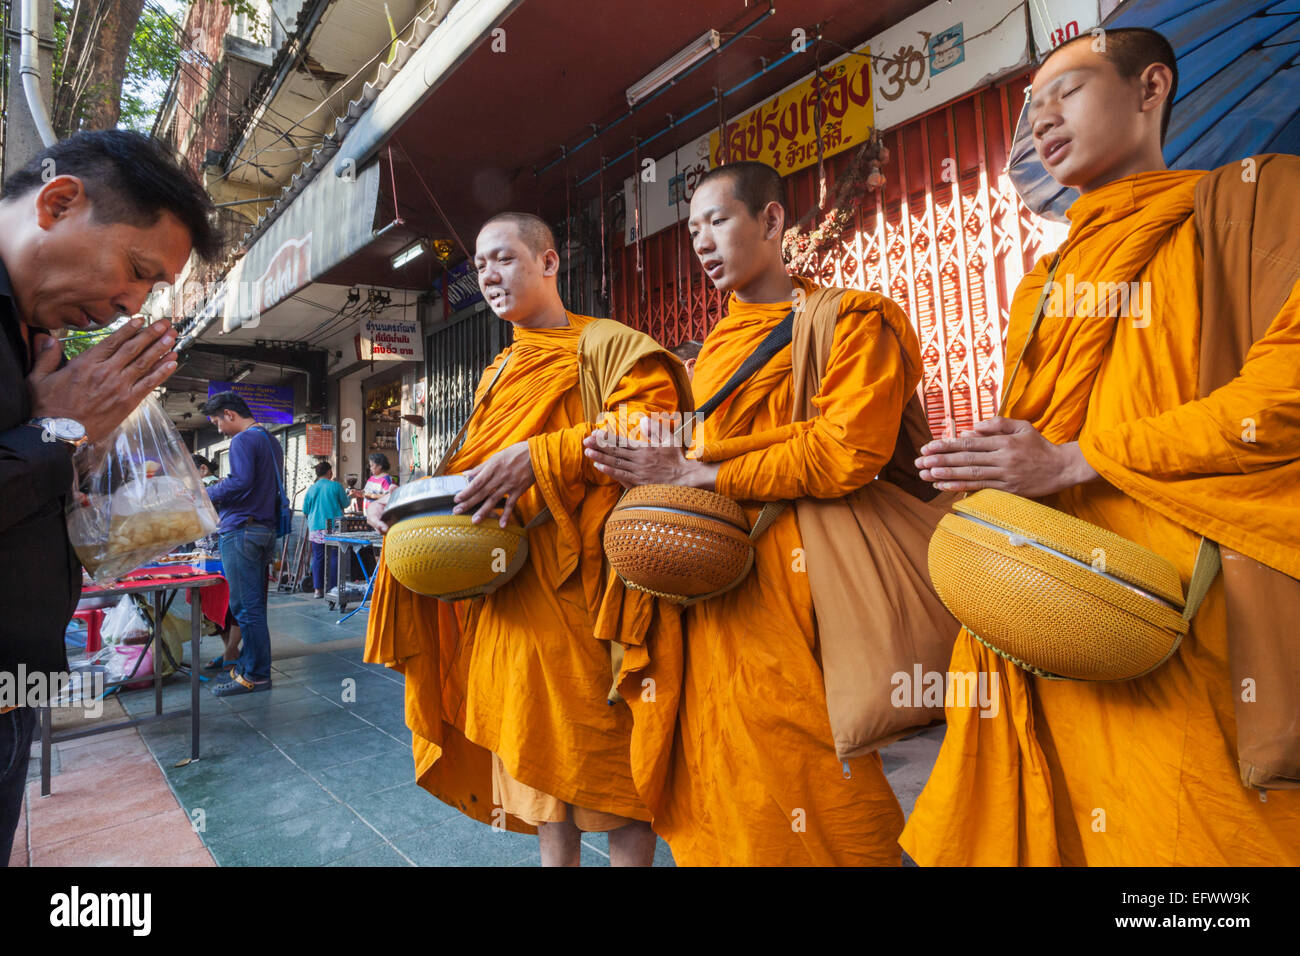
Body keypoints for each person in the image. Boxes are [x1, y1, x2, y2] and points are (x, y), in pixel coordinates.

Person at [900, 28, 1300, 865]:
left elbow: (1283, 395)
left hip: (1185, 612)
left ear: (1150, 88)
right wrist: (999, 462)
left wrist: (1077, 459)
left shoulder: (1258, 204)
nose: (1038, 121)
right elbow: (1047, 426)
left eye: (1065, 92)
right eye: (1029, 107)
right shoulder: (1044, 283)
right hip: (1044, 607)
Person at [583, 161, 917, 865]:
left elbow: (848, 449)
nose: (702, 242)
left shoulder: (851, 321)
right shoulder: (707, 356)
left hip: (805, 586)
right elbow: (694, 457)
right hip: (708, 591)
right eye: (693, 228)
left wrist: (698, 472)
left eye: (718, 220)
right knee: (721, 777)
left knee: (821, 774)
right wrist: (639, 456)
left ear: (770, 222)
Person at [364, 212, 689, 865]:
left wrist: (542, 455)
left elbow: (656, 430)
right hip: (511, 596)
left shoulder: (608, 346)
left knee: (615, 768)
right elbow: (472, 471)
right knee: (535, 765)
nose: (489, 274)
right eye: (480, 264)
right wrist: (403, 509)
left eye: (504, 258)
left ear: (547, 262)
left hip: (591, 595)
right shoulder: (502, 370)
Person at [0, 129, 219, 864]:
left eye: (149, 290)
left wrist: (76, 448)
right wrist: (60, 431)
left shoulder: (36, 338)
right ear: (60, 201)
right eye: (135, 269)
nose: (130, 303)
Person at [200, 390, 285, 697]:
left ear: (230, 414)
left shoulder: (243, 440)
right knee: (254, 606)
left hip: (242, 531)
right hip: (262, 530)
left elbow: (240, 482)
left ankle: (256, 675)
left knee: (245, 609)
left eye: (218, 421)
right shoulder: (269, 440)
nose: (219, 429)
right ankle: (249, 663)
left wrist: (204, 493)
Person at [302, 460, 348, 598]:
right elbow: (345, 503)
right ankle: (333, 588)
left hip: (316, 525)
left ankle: (318, 590)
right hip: (331, 524)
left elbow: (305, 510)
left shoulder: (312, 488)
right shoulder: (335, 486)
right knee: (334, 556)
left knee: (318, 558)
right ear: (329, 472)